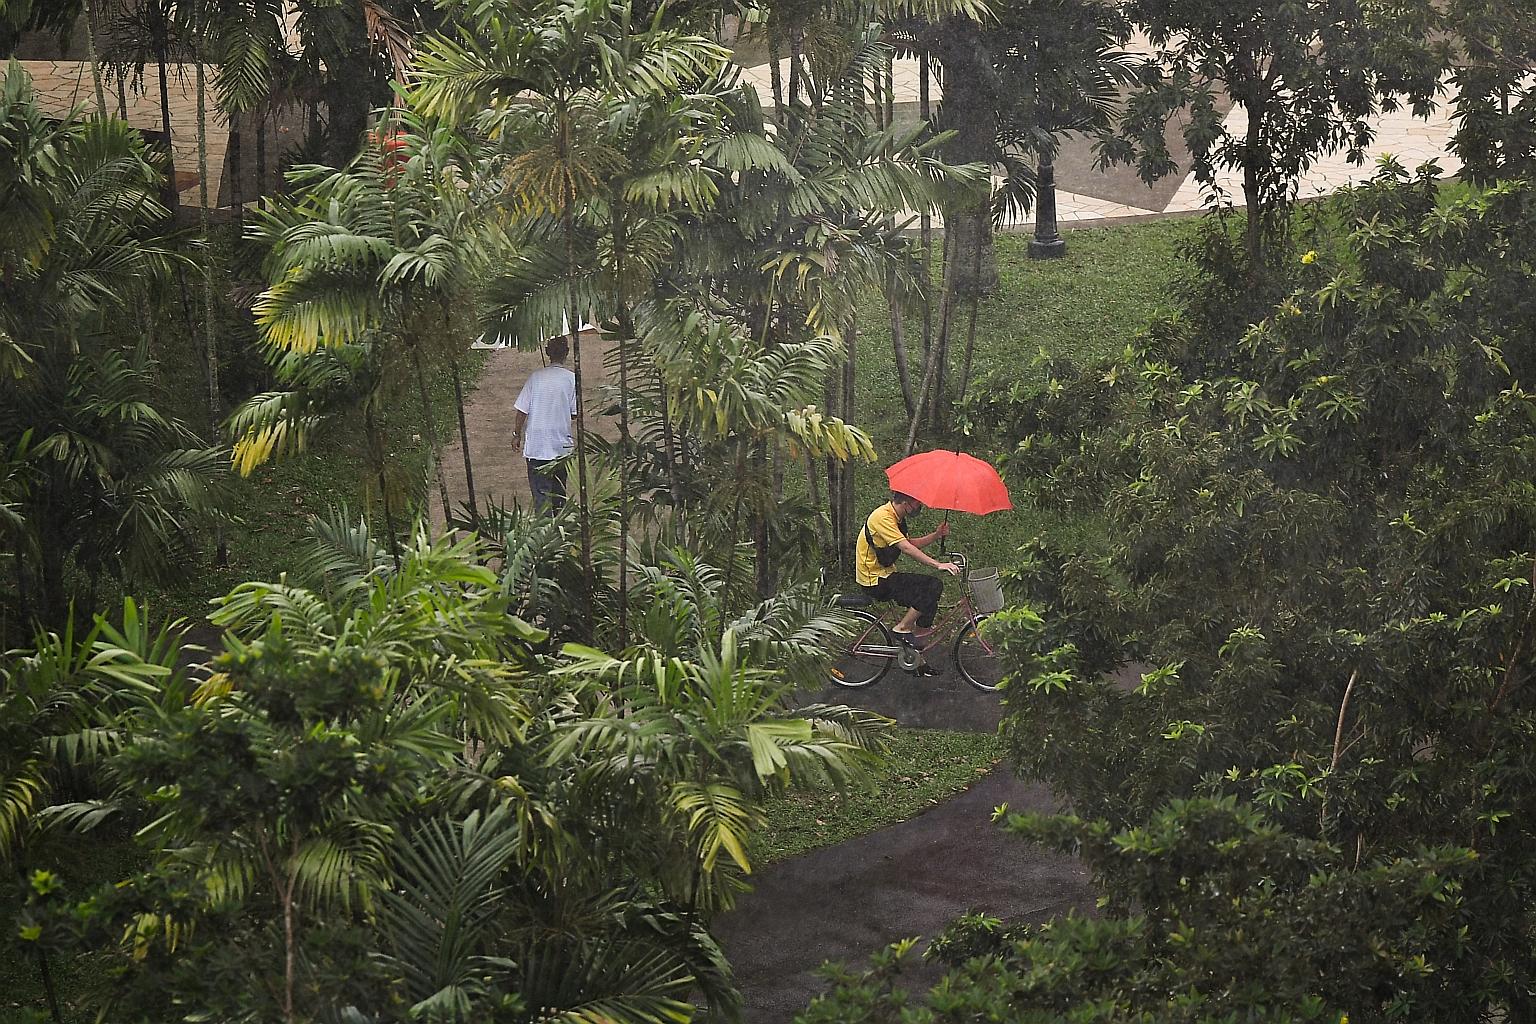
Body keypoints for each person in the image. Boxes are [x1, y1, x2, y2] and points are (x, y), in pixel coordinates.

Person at [855, 490, 960, 644]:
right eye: (917, 503)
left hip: (885, 574)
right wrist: (938, 565)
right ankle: (902, 628)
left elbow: (911, 543)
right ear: (906, 504)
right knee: (933, 586)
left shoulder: (897, 518)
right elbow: (905, 548)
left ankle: (916, 654)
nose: (920, 507)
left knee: (929, 603)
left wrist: (936, 535)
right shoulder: (882, 517)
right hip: (874, 580)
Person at [511, 336, 577, 513]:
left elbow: (522, 411)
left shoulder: (535, 378)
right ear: (567, 353)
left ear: (547, 353)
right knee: (559, 495)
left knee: (541, 498)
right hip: (561, 446)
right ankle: (560, 534)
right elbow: (575, 413)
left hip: (537, 446)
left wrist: (516, 434)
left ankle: (544, 533)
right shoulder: (571, 379)